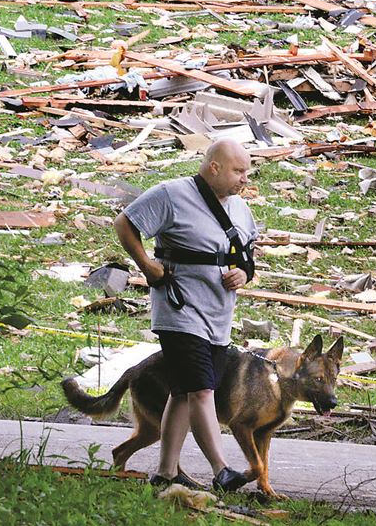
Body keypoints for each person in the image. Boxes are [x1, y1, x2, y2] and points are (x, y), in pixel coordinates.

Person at [113, 138, 258, 492]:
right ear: (214, 167)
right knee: (201, 390)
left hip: (218, 317)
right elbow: (124, 223)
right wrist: (147, 265)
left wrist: (243, 274)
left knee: (181, 391)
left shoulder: (240, 208)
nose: (245, 178)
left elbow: (247, 257)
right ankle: (222, 469)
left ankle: (165, 472)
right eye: (238, 171)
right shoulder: (172, 194)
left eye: (248, 171)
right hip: (179, 311)